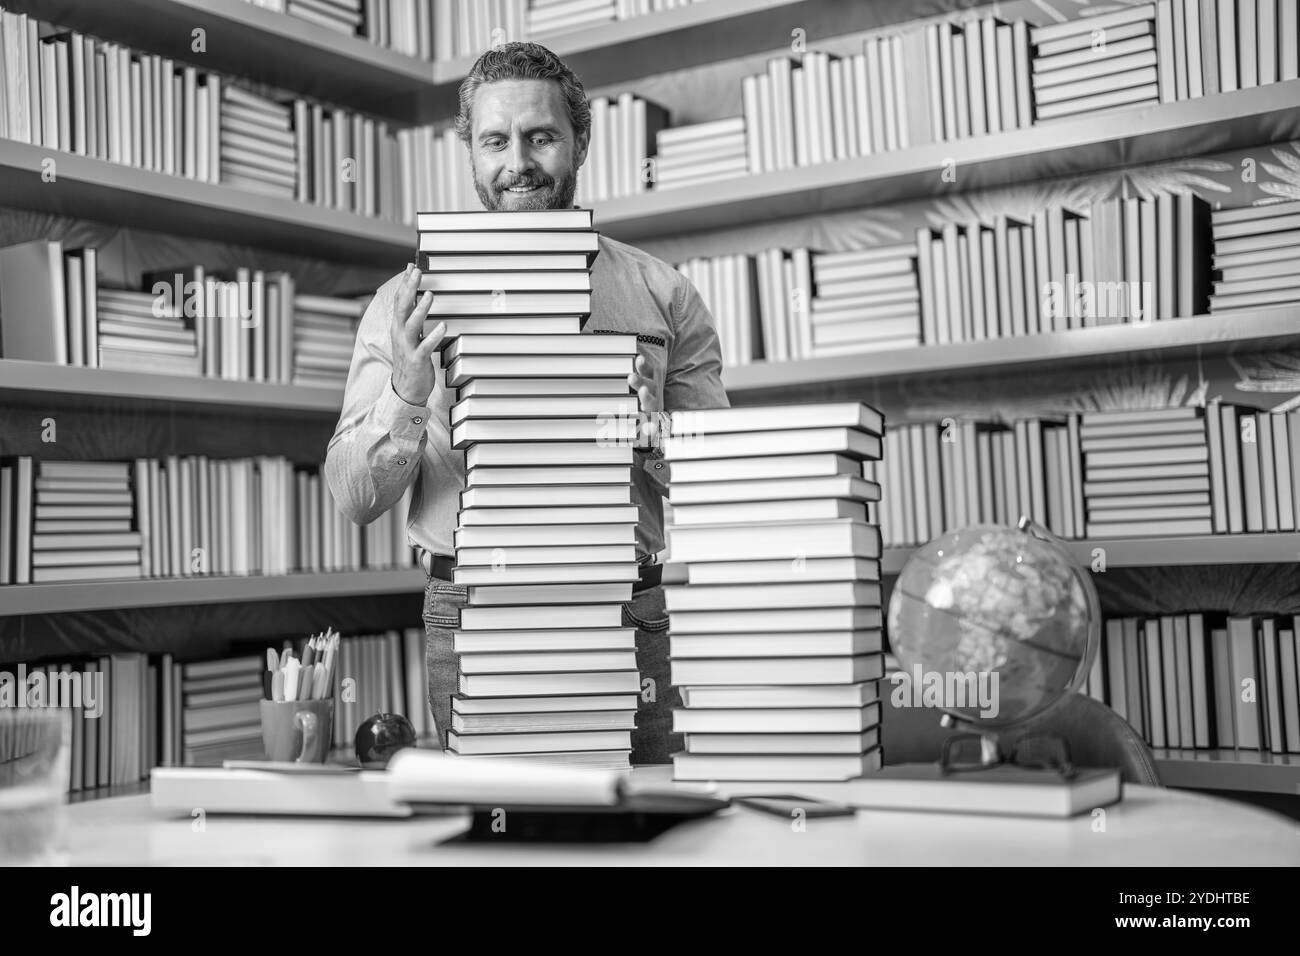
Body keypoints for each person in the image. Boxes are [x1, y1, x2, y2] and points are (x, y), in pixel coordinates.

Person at [324, 41, 729, 764]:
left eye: (541, 136)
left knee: (643, 824)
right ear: (471, 153)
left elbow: (729, 488)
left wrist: (658, 434)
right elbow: (354, 497)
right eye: (496, 140)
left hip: (627, 611)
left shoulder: (665, 294)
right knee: (492, 829)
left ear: (578, 142)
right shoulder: (403, 305)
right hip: (470, 612)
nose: (519, 162)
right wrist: (408, 394)